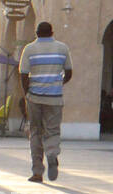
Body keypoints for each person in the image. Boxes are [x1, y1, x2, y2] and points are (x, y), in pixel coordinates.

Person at [18, 21, 73, 183]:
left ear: (36, 33)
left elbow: (23, 74)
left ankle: (37, 172)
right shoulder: (62, 48)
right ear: (52, 32)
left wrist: (27, 93)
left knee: (35, 131)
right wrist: (58, 83)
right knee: (53, 131)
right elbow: (69, 72)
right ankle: (51, 154)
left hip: (34, 97)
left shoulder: (29, 49)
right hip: (55, 98)